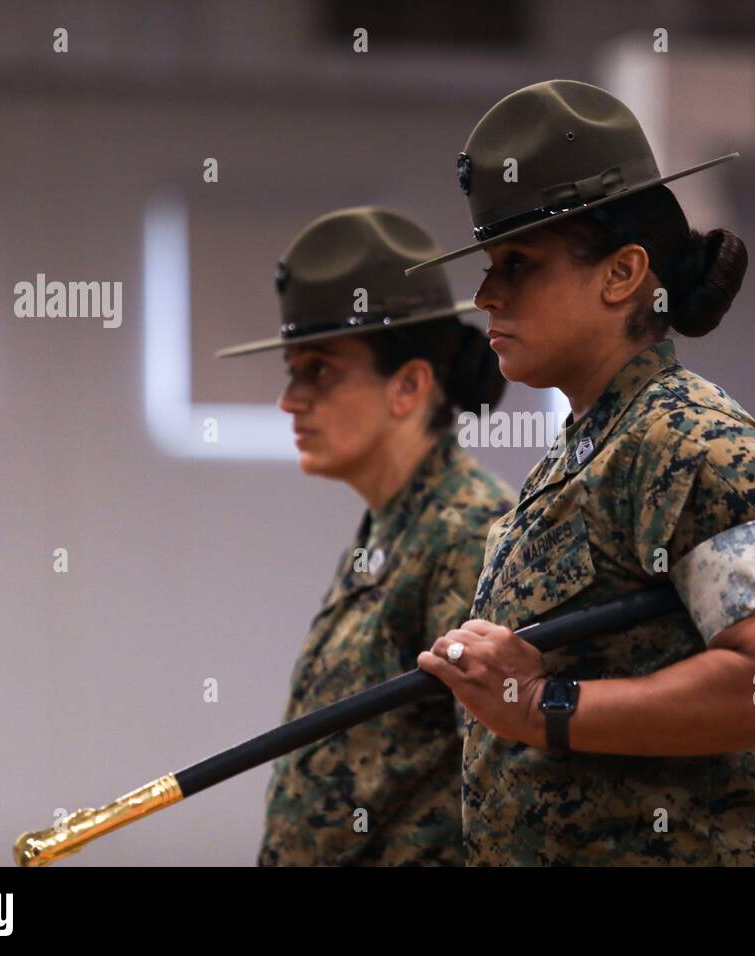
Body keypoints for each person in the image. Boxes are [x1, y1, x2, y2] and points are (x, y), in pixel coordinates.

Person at [412, 79, 755, 865]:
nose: (485, 294)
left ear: (622, 273)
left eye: (519, 264)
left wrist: (545, 705)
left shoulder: (691, 440)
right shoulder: (585, 457)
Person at [216, 206, 514, 864]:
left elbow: (501, 786)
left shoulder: (468, 533)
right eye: (292, 370)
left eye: (318, 371)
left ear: (408, 386)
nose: (290, 400)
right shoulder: (393, 526)